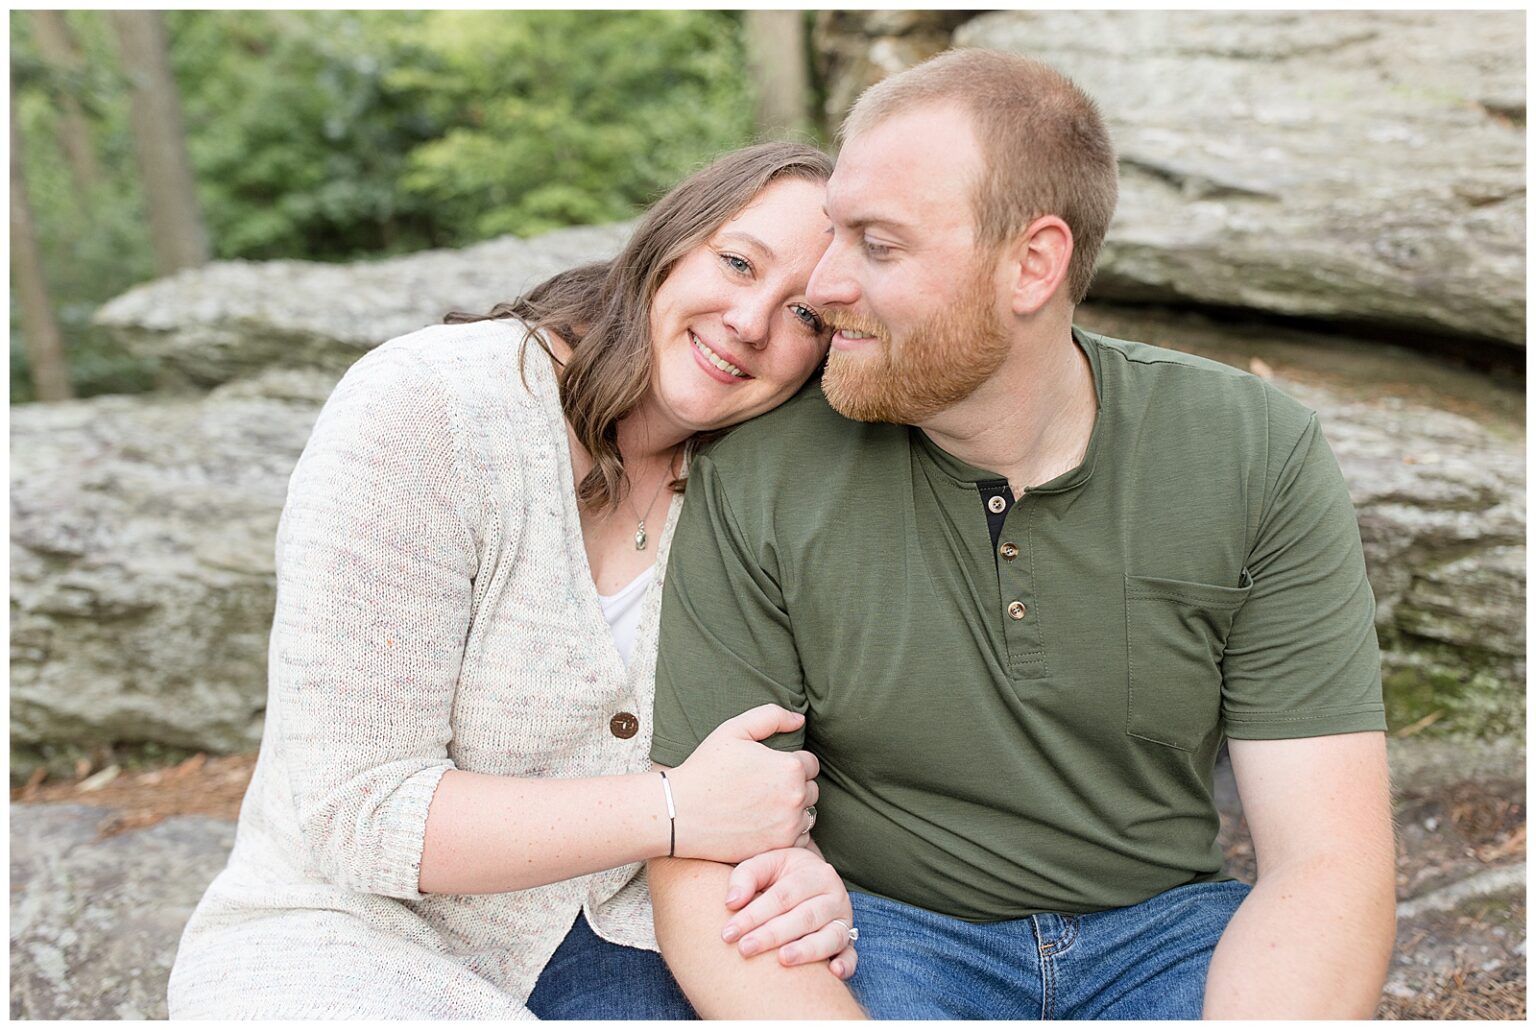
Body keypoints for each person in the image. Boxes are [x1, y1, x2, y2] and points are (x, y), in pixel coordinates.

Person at [648, 50, 1396, 1020]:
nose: (822, 285)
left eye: (877, 245)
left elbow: (1328, 862)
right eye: (834, 233)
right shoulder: (760, 469)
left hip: (1168, 935)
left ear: (1033, 264)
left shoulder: (1252, 450)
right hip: (886, 934)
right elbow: (711, 869)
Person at [167, 141, 862, 1020]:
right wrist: (675, 809)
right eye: (736, 262)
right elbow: (359, 813)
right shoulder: (429, 408)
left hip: (629, 933)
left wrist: (798, 871)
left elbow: (777, 766)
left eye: (804, 314)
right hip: (349, 938)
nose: (751, 321)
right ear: (667, 244)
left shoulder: (762, 479)